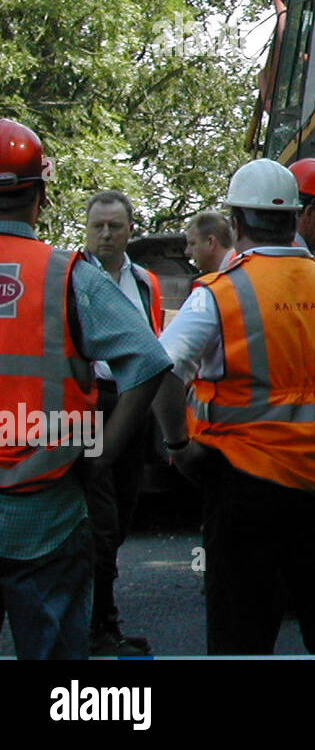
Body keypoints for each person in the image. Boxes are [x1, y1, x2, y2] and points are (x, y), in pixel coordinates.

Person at [154, 158, 315, 655]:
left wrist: (179, 447)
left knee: (241, 634)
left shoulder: (219, 293)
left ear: (236, 223)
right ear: (295, 218)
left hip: (242, 483)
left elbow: (162, 370)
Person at [0, 119, 172, 660]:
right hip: (47, 503)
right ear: (42, 197)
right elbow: (149, 360)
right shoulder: (68, 276)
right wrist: (102, 455)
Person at [83, 188, 165, 656]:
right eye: (97, 226)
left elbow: (152, 343)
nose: (106, 235)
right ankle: (97, 624)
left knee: (124, 512)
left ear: (131, 229)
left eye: (115, 226)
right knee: (99, 519)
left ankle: (100, 619)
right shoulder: (72, 276)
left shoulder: (145, 281)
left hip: (132, 403)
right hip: (89, 404)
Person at [184, 210, 235, 275]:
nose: (187, 252)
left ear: (210, 241)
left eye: (192, 244)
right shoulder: (239, 268)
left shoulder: (234, 274)